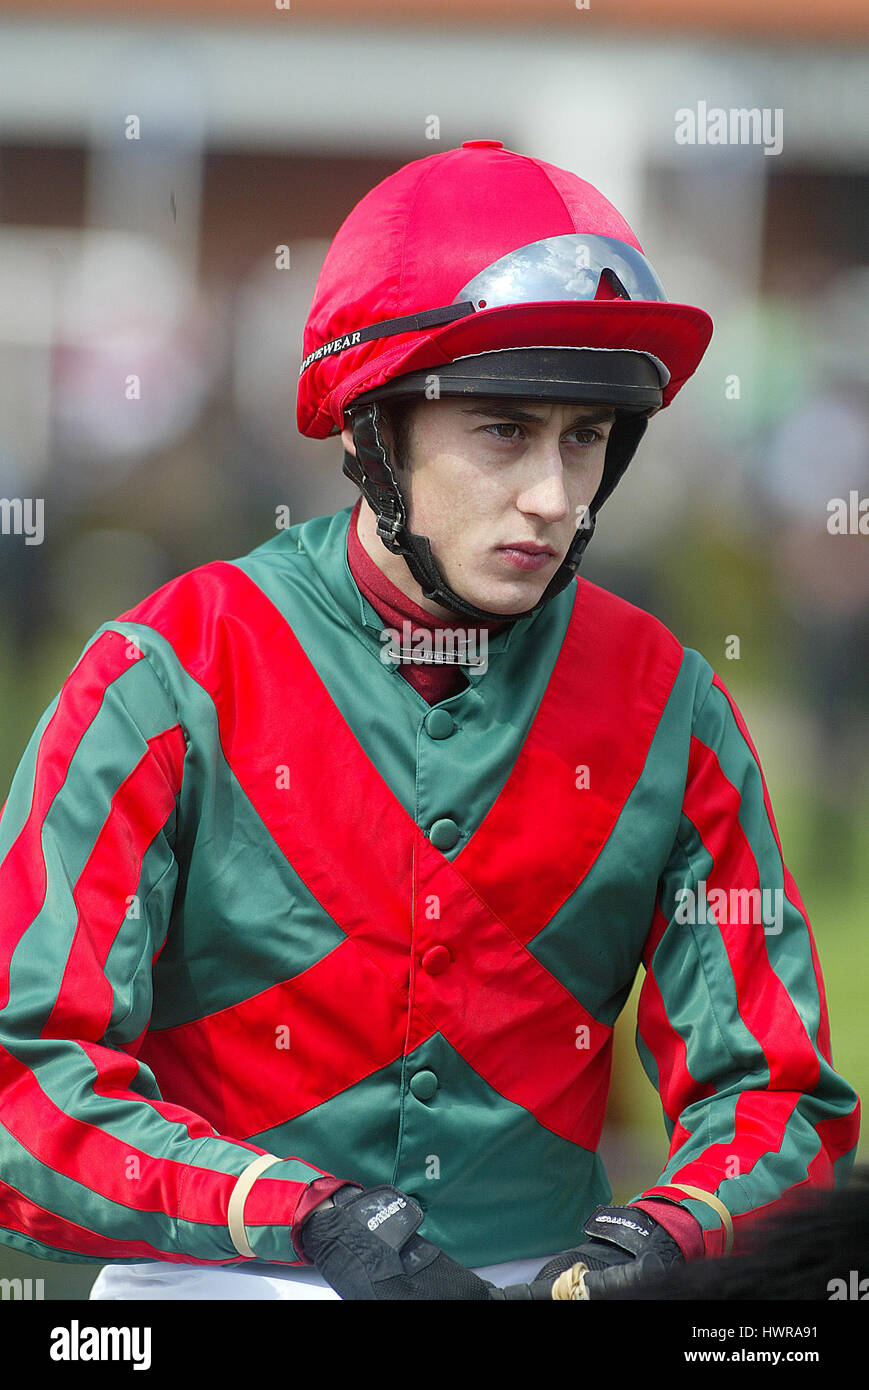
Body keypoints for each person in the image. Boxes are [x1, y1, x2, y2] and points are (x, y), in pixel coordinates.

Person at [0, 141, 859, 1301]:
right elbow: (24, 1082)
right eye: (502, 432)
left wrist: (666, 1234)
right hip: (205, 1284)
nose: (554, 497)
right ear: (372, 430)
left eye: (584, 438)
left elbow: (780, 1100)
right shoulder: (163, 677)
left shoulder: (671, 705)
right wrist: (293, 1214)